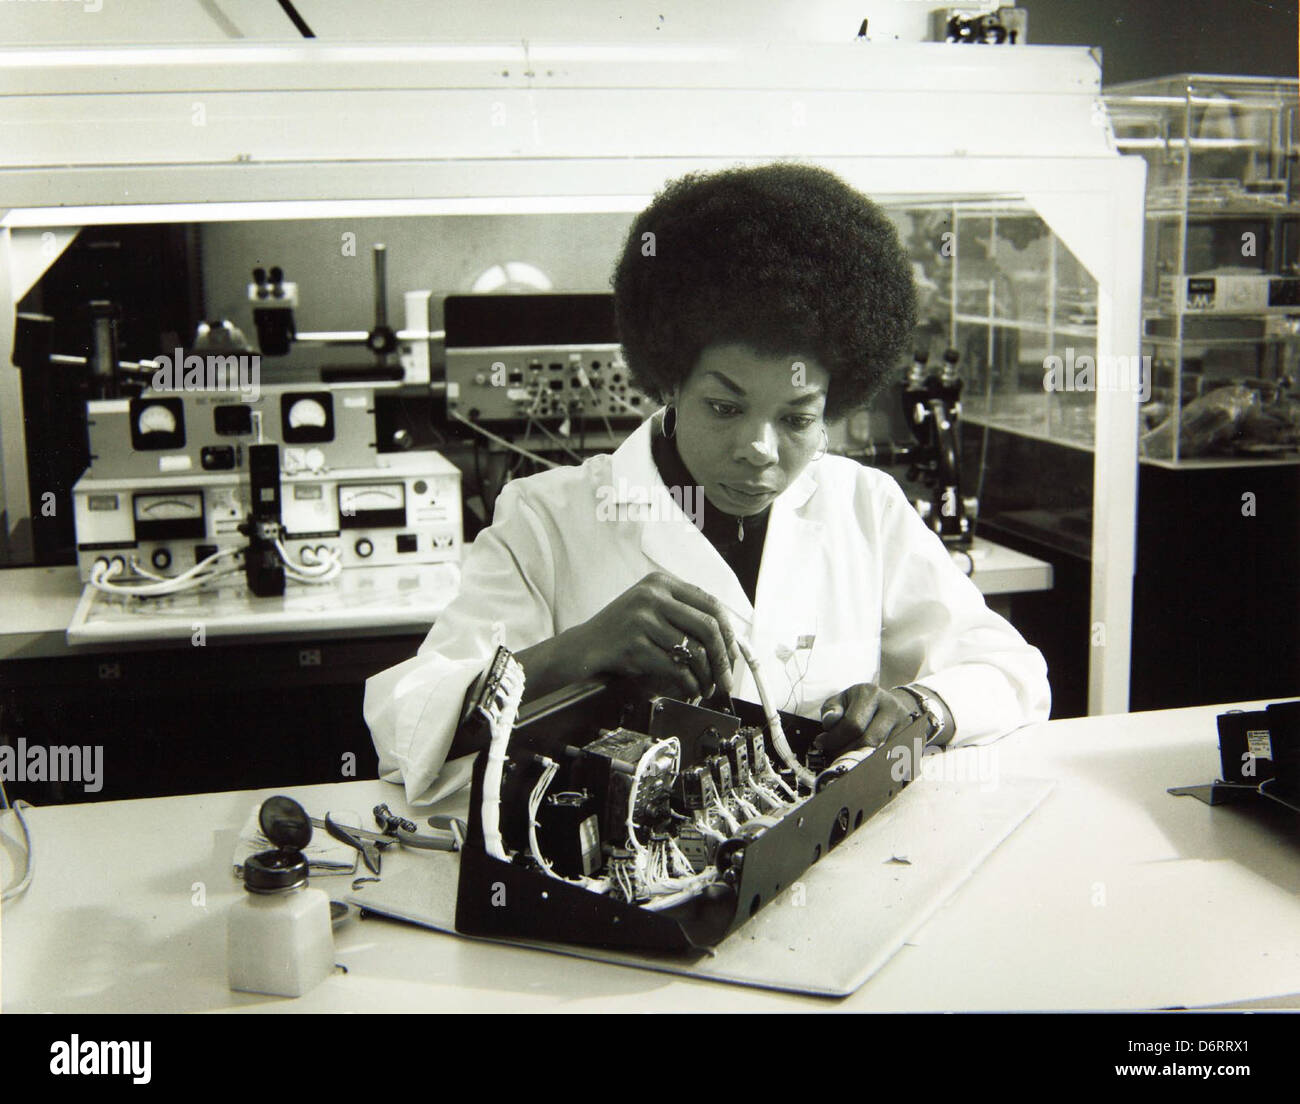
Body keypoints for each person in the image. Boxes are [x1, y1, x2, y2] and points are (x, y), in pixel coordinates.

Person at [364, 162, 1050, 804]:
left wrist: (920, 708)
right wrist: (572, 655)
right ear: (669, 381)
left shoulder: (862, 506)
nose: (759, 450)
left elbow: (1012, 673)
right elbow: (403, 726)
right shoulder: (545, 522)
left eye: (796, 417)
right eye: (725, 408)